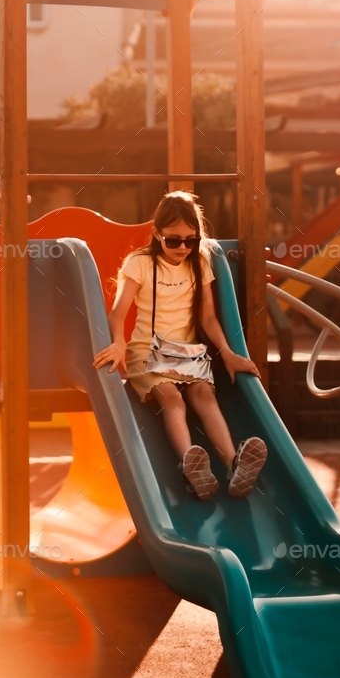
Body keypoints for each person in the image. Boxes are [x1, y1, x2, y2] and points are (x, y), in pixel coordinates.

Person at [93, 191, 267, 501]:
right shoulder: (140, 263)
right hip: (147, 353)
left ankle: (232, 464)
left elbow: (209, 317)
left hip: (187, 352)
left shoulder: (199, 262)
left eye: (191, 240)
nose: (183, 247)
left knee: (204, 395)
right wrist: (119, 344)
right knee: (173, 399)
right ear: (157, 234)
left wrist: (228, 354)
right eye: (173, 240)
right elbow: (117, 313)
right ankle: (191, 466)